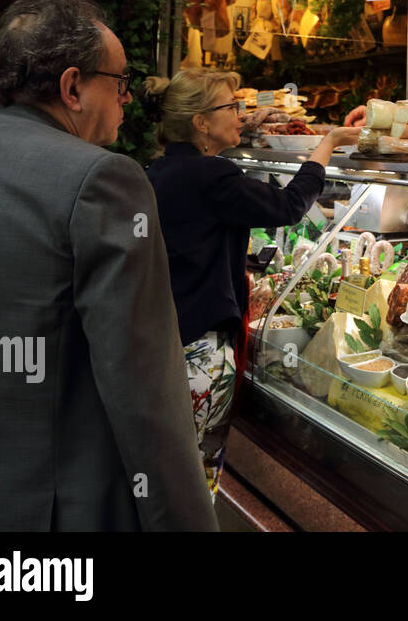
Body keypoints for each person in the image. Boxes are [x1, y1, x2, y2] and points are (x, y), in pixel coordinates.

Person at [0, 0, 216, 531]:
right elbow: (146, 393)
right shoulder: (101, 179)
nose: (128, 101)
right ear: (72, 87)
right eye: (119, 84)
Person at [144, 69, 360, 496]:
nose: (240, 115)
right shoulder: (209, 175)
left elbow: (191, 241)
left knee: (168, 474)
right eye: (231, 106)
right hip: (200, 352)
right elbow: (290, 204)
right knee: (194, 477)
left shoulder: (158, 170)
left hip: (163, 342)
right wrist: (328, 144)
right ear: (201, 121)